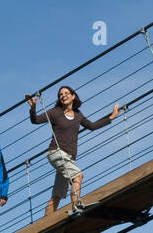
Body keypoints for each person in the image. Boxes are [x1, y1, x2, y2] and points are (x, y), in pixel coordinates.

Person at [26, 87, 120, 216]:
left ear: (73, 96)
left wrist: (111, 117)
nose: (63, 96)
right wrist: (33, 107)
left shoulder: (78, 115)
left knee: (57, 195)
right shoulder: (55, 112)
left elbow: (92, 126)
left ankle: (44, 223)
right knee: (78, 176)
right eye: (60, 94)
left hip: (69, 158)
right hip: (56, 153)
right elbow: (35, 120)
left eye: (66, 93)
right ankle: (77, 208)